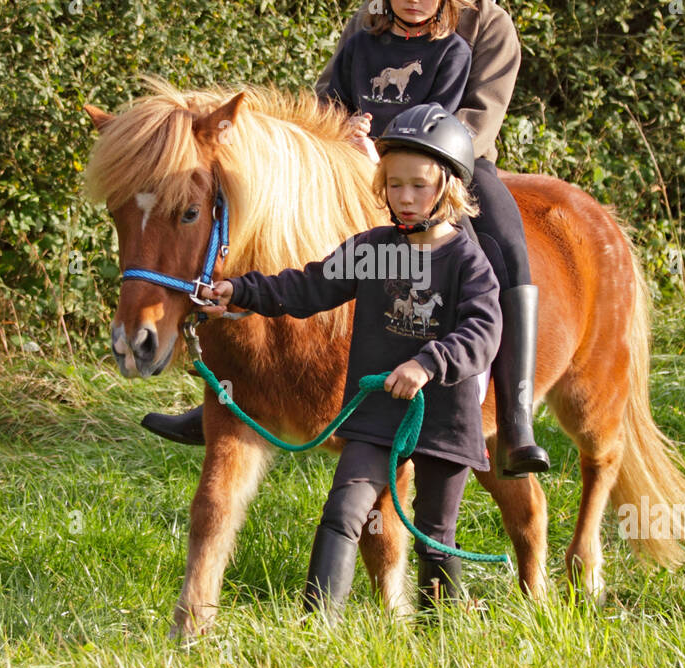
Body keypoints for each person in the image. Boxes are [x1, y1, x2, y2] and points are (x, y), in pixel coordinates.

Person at [146, 0, 549, 478]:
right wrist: (337, 140)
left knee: (509, 246)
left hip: (454, 167)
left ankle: (514, 415)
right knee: (261, 232)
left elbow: (480, 119)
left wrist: (412, 160)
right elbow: (331, 93)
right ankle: (227, 393)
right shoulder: (374, 17)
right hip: (355, 158)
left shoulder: (492, 29)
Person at [199, 105, 501, 616]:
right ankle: (318, 626)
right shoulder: (372, 249)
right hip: (377, 415)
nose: (404, 198)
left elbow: (483, 330)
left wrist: (429, 363)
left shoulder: (467, 261)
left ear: (447, 187)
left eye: (419, 186)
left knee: (434, 533)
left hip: (443, 421)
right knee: (342, 510)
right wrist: (241, 291)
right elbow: (308, 285)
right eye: (395, 185)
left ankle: (441, 638)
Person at [321, 0, 473, 159]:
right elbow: (331, 104)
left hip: (415, 160)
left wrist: (383, 147)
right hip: (353, 154)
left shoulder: (453, 52)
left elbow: (437, 120)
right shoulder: (360, 44)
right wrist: (347, 125)